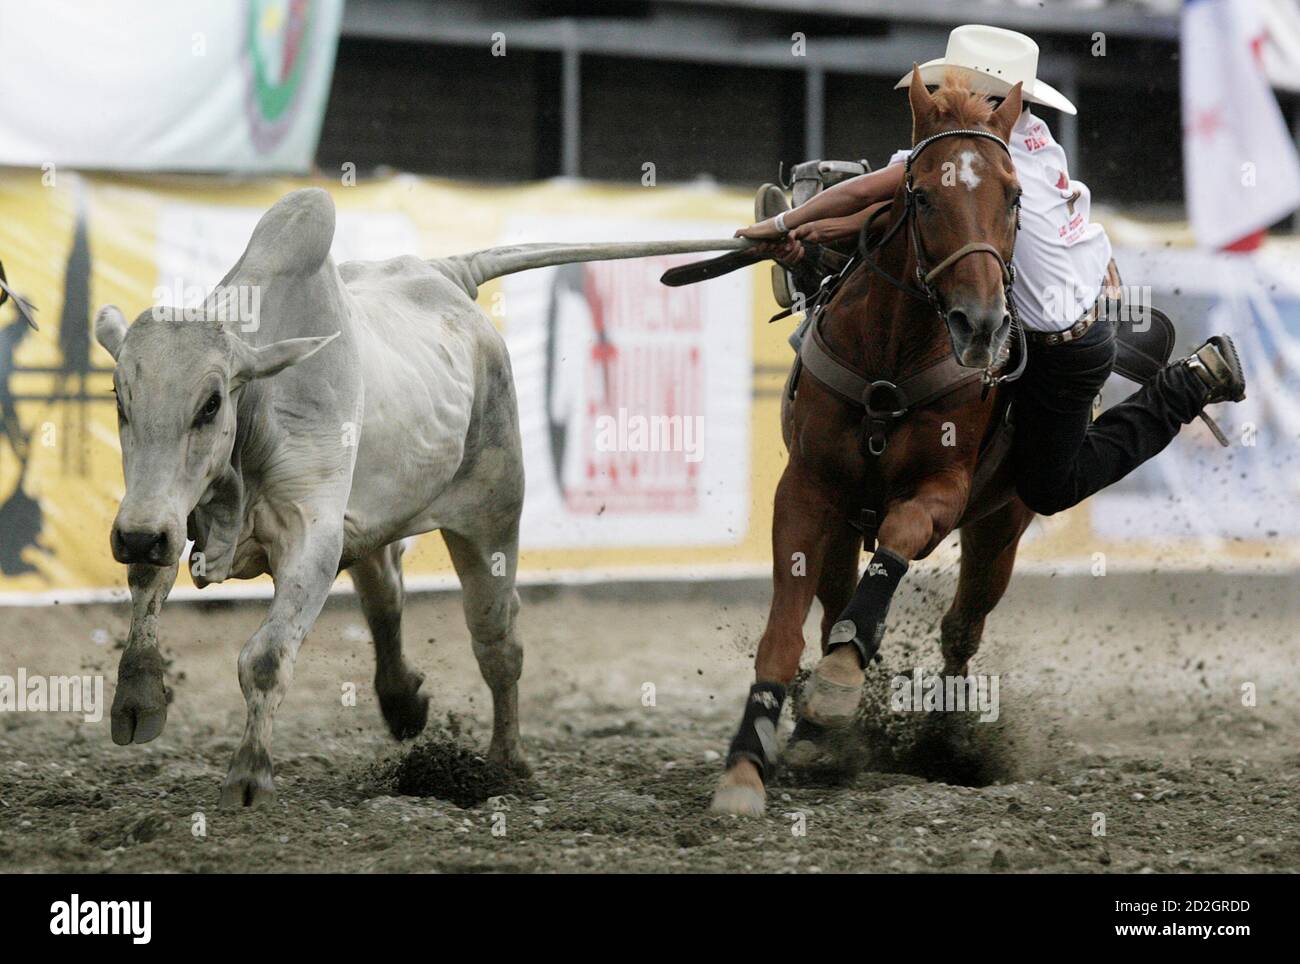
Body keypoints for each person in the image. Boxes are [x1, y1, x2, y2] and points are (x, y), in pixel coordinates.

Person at [735, 24, 1245, 517]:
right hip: (1073, 298)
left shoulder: (983, 154)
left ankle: (1186, 386)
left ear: (990, 102)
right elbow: (912, 201)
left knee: (1049, 487)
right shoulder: (1030, 137)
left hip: (1063, 345)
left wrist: (793, 222)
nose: (944, 99)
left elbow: (882, 196)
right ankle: (817, 261)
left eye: (957, 90)